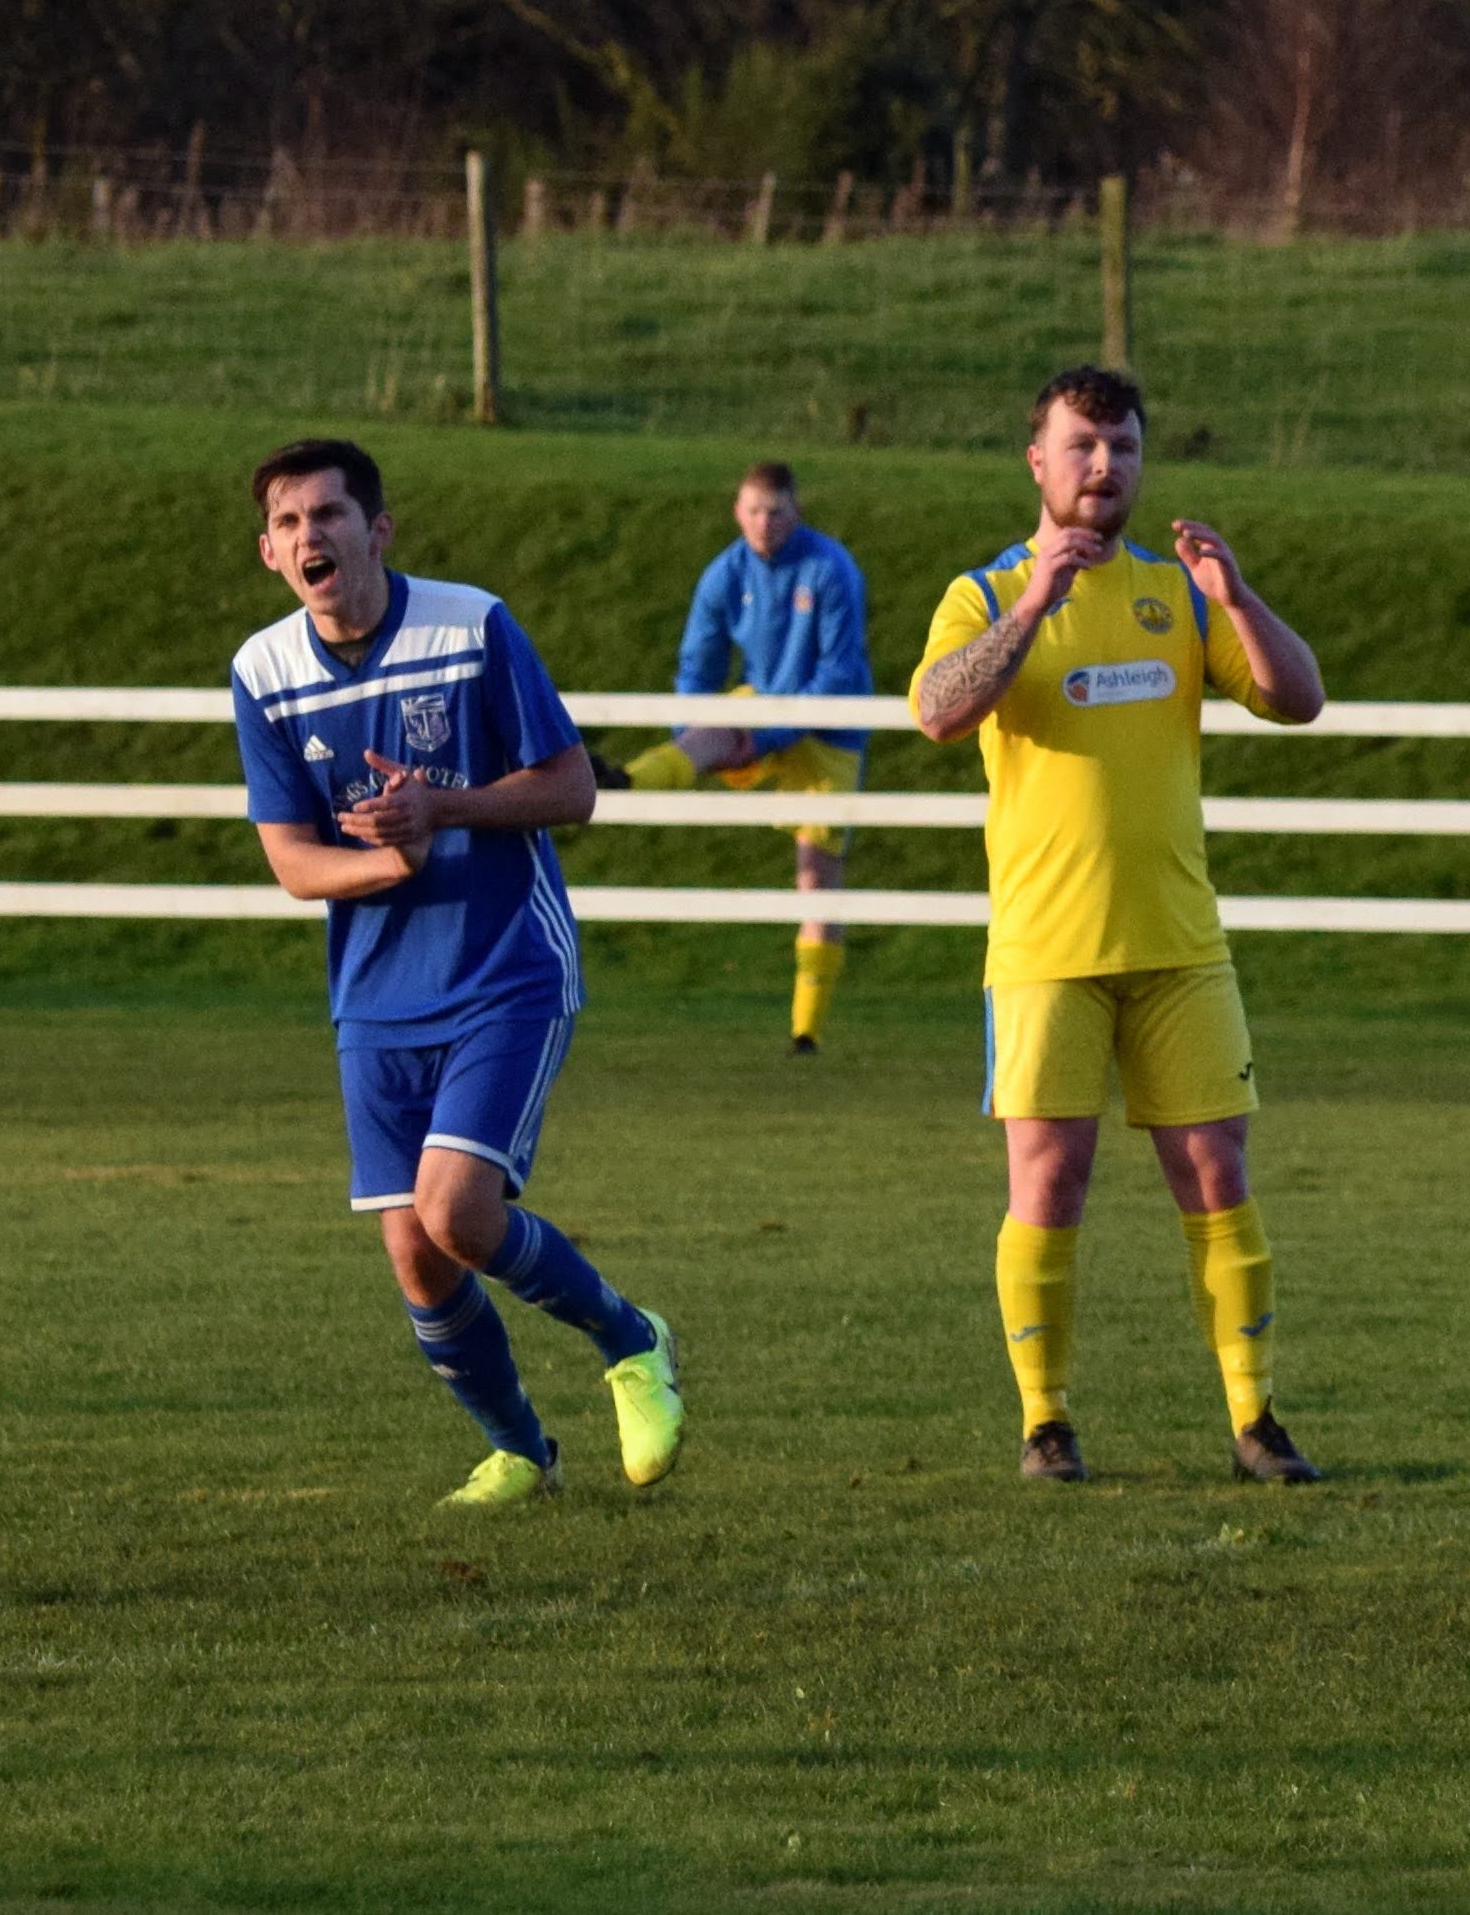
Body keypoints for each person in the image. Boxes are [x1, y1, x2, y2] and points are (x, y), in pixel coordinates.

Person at [228, 438, 685, 1507]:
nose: (310, 535)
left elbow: (572, 788)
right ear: (269, 552)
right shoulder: (264, 671)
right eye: (289, 522)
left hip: (503, 964)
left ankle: (631, 1338)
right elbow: (292, 861)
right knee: (419, 1257)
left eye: (329, 513)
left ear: (378, 529)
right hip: (375, 993)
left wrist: (444, 806)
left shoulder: (470, 626)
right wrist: (392, 859)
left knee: (459, 1212)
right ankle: (523, 1450)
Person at [909, 366, 1329, 1488]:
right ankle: (1045, 1422)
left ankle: (1256, 1418)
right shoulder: (984, 591)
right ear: (1037, 462)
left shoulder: (1178, 594)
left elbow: (1299, 698)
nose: (1105, 467)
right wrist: (1035, 604)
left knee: (1218, 1174)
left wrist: (1237, 596)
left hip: (1180, 945)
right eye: (1083, 446)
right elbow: (939, 709)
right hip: (1046, 950)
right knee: (1050, 1184)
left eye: (1125, 447)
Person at [612, 460, 872, 1053]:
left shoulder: (831, 569)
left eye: (776, 511)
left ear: (796, 510)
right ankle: (626, 783)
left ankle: (806, 1029)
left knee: (816, 877)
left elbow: (838, 673)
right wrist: (694, 729)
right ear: (737, 511)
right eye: (754, 510)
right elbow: (697, 667)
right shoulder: (724, 574)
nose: (764, 523)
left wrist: (768, 737)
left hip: (827, 730)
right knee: (712, 726)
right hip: (764, 707)